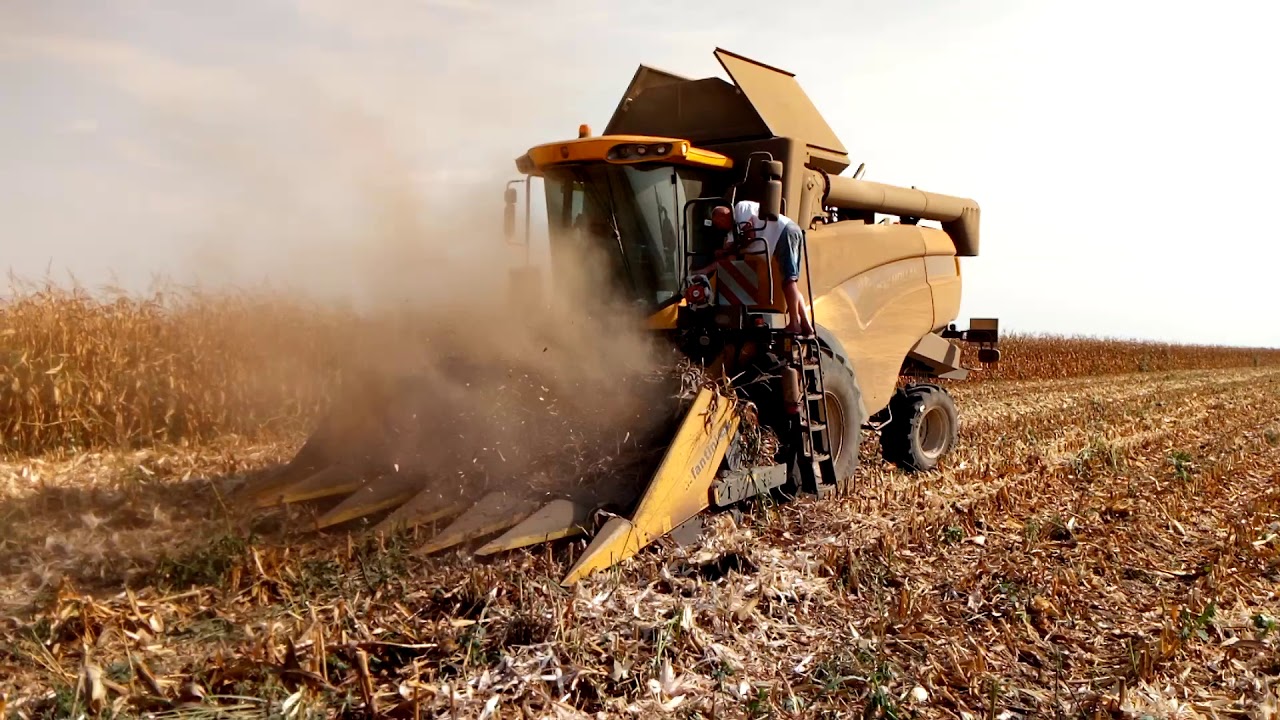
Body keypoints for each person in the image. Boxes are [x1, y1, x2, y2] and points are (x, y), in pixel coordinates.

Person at [691, 200, 814, 335]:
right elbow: (730, 258)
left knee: (789, 282)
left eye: (718, 223)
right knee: (789, 283)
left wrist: (729, 249)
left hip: (784, 232)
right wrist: (704, 270)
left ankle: (795, 324)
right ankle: (806, 324)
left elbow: (750, 235)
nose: (719, 228)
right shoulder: (732, 233)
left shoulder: (741, 208)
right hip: (778, 242)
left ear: (722, 215)